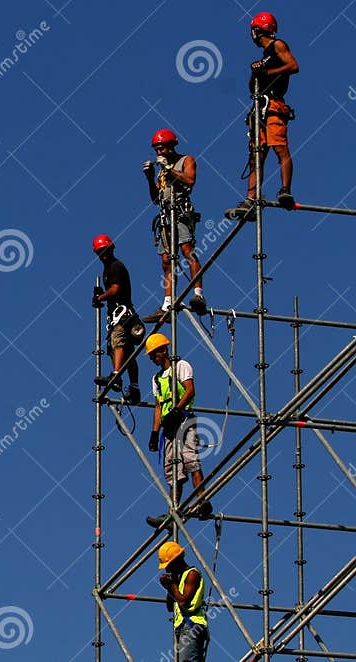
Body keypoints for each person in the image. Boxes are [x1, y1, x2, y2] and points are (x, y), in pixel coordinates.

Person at [227, 11, 300, 220]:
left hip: (274, 105)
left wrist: (267, 73)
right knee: (256, 154)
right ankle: (251, 198)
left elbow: (293, 66)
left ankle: (285, 189)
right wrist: (256, 71)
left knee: (279, 147)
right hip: (261, 109)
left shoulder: (277, 46)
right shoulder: (265, 56)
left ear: (257, 30)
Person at [144, 333, 212, 526]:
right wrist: (154, 432)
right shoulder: (156, 379)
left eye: (153, 354)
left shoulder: (181, 366)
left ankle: (202, 501)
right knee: (174, 470)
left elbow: (190, 390)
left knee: (191, 460)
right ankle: (173, 511)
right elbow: (158, 406)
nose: (152, 358)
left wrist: (177, 409)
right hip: (169, 428)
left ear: (163, 350)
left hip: (184, 420)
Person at [142, 129, 206, 322]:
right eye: (156, 149)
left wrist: (169, 170)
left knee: (188, 251)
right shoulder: (162, 169)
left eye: (161, 148)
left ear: (171, 145)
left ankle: (198, 294)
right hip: (165, 216)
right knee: (166, 261)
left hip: (180, 212)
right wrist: (150, 177)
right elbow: (156, 199)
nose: (159, 152)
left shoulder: (185, 160)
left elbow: (190, 180)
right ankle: (168, 304)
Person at [92, 234, 142, 404]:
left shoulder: (115, 267)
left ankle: (116, 375)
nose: (102, 254)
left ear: (111, 248)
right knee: (127, 353)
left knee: (118, 342)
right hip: (120, 314)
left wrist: (100, 298)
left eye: (104, 250)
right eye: (99, 252)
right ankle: (134, 388)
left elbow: (115, 289)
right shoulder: (108, 269)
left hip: (122, 314)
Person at [158, 541, 209, 661]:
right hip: (183, 627)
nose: (167, 568)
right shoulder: (179, 579)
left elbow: (183, 602)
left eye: (169, 564)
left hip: (192, 626)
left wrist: (172, 584)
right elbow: (170, 607)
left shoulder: (192, 574)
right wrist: (169, 587)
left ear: (177, 560)